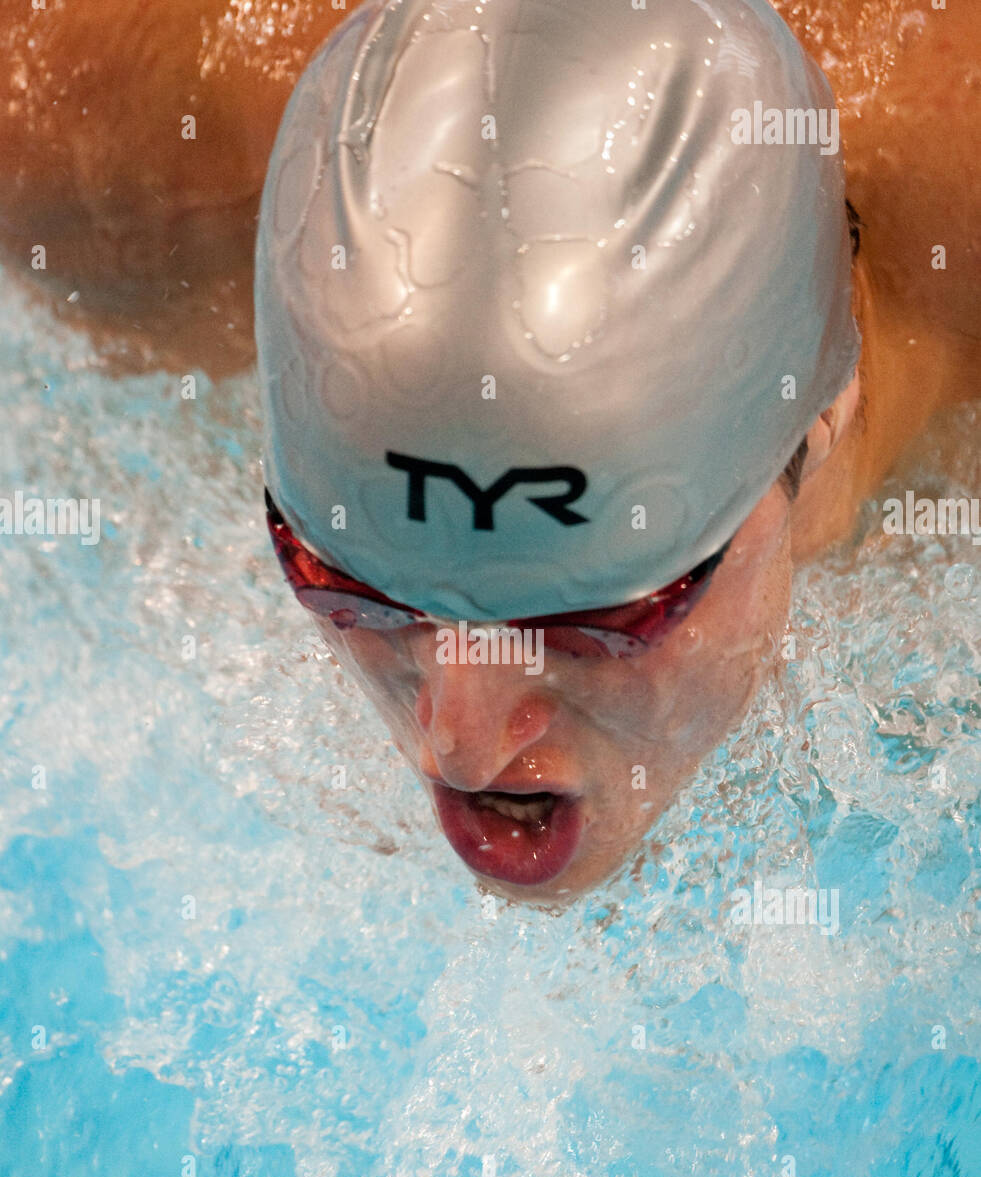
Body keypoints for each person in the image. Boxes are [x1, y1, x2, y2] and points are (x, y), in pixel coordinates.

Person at [3, 0, 978, 901]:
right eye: (357, 588)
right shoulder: (85, 159)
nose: (460, 744)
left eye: (591, 618)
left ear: (816, 416)